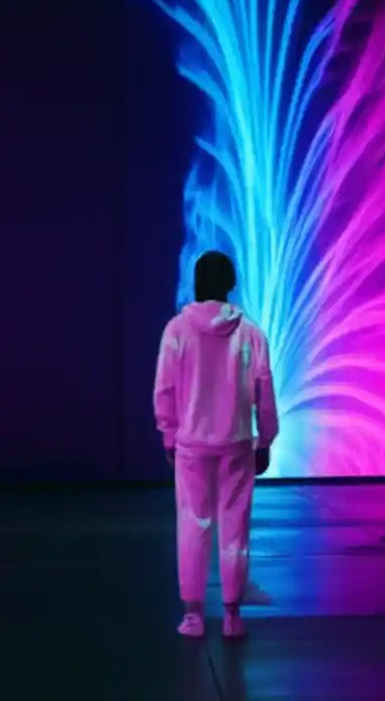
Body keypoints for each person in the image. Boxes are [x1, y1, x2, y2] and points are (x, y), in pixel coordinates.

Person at [153, 250, 279, 640]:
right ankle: (231, 615)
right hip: (237, 443)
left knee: (192, 524)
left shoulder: (177, 329)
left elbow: (165, 388)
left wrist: (168, 432)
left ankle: (192, 615)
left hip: (192, 444)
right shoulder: (250, 332)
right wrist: (266, 437)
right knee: (235, 528)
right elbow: (264, 389)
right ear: (230, 284)